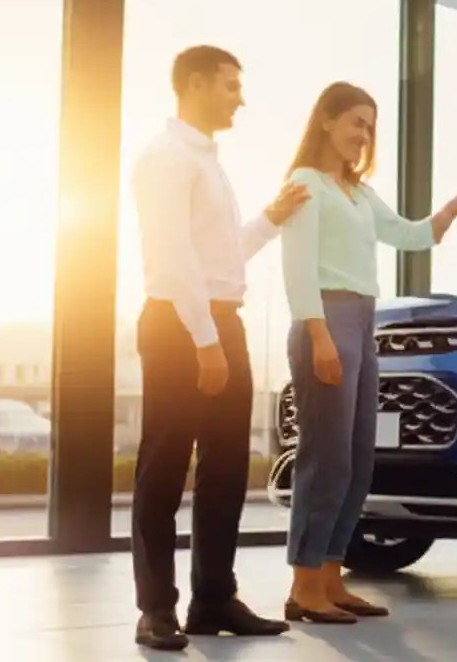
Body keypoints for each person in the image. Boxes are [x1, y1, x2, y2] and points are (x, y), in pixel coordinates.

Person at [279, 81, 457, 623]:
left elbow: (410, 235)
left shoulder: (357, 193)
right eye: (356, 123)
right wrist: (319, 334)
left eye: (370, 126)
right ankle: (303, 585)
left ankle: (330, 576)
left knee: (358, 458)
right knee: (324, 459)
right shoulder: (305, 184)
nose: (365, 136)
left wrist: (450, 211)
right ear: (325, 120)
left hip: (363, 324)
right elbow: (297, 269)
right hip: (324, 319)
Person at [130, 45, 309, 651]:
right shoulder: (165, 157)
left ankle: (213, 599)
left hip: (217, 322)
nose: (240, 97)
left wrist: (271, 219)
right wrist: (206, 342)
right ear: (197, 84)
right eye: (231, 86)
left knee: (227, 469)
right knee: (164, 469)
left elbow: (219, 254)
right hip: (182, 326)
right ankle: (156, 609)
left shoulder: (207, 160)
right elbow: (174, 259)